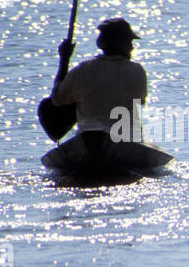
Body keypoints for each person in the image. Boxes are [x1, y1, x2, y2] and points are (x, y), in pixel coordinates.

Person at [50, 18, 147, 165]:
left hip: (88, 137)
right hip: (126, 140)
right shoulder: (136, 71)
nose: (132, 48)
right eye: (129, 43)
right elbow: (141, 100)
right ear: (120, 44)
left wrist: (64, 59)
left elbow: (56, 99)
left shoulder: (82, 70)